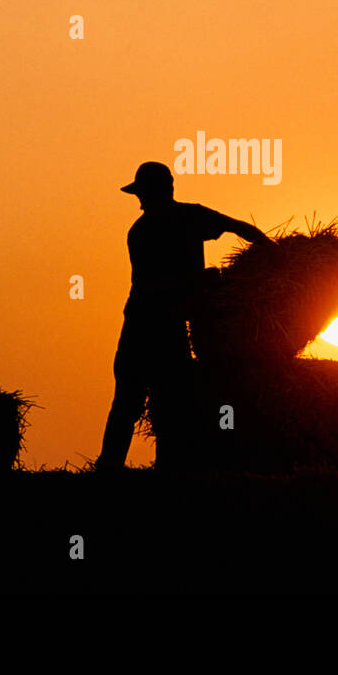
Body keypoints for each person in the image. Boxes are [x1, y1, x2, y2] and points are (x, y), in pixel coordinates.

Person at [95, 161, 271, 470]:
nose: (140, 201)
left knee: (164, 404)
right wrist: (198, 280)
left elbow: (238, 226)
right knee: (134, 402)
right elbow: (149, 286)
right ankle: (111, 469)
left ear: (153, 193)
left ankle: (161, 471)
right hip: (146, 325)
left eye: (142, 194)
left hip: (162, 326)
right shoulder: (149, 230)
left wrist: (275, 251)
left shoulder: (172, 221)